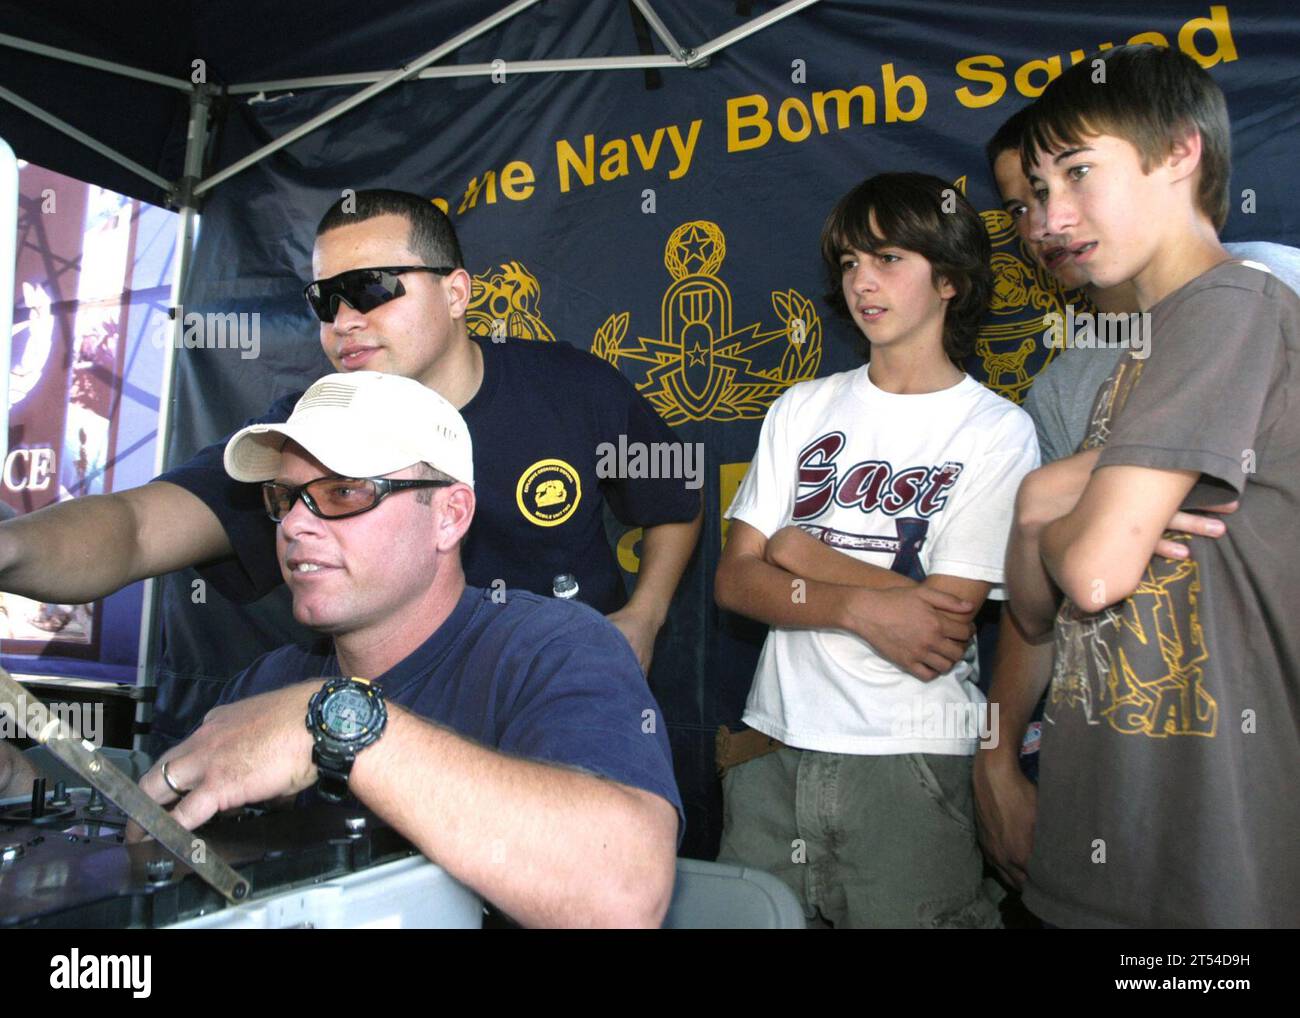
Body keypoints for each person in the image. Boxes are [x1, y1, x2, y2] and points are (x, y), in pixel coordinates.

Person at [0, 190, 701, 748]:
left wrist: (644, 615)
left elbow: (675, 498)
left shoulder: (569, 387)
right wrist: (13, 547)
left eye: (371, 288)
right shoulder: (305, 436)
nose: (343, 318)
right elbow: (139, 528)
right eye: (324, 299)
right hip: (381, 736)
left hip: (558, 716)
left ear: (456, 293)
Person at [109, 370, 672, 929]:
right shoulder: (265, 687)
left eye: (343, 491)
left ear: (449, 516)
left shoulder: (553, 651)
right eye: (284, 497)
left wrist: (331, 726)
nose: (295, 524)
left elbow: (623, 896)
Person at [1006, 44, 1300, 928]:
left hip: (1216, 851)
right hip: (1103, 834)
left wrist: (1057, 518)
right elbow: (1029, 614)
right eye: (1037, 190)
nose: (1053, 215)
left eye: (1079, 173)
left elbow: (1093, 575)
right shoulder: (1142, 343)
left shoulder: (1231, 303)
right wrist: (1037, 510)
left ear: (1180, 153)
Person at [713, 172, 1040, 928]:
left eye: (889, 258)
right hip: (773, 750)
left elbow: (944, 622)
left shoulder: (994, 430)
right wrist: (863, 604)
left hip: (913, 762)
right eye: (851, 263)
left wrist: (800, 549)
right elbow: (735, 580)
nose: (863, 281)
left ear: (951, 277)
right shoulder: (803, 406)